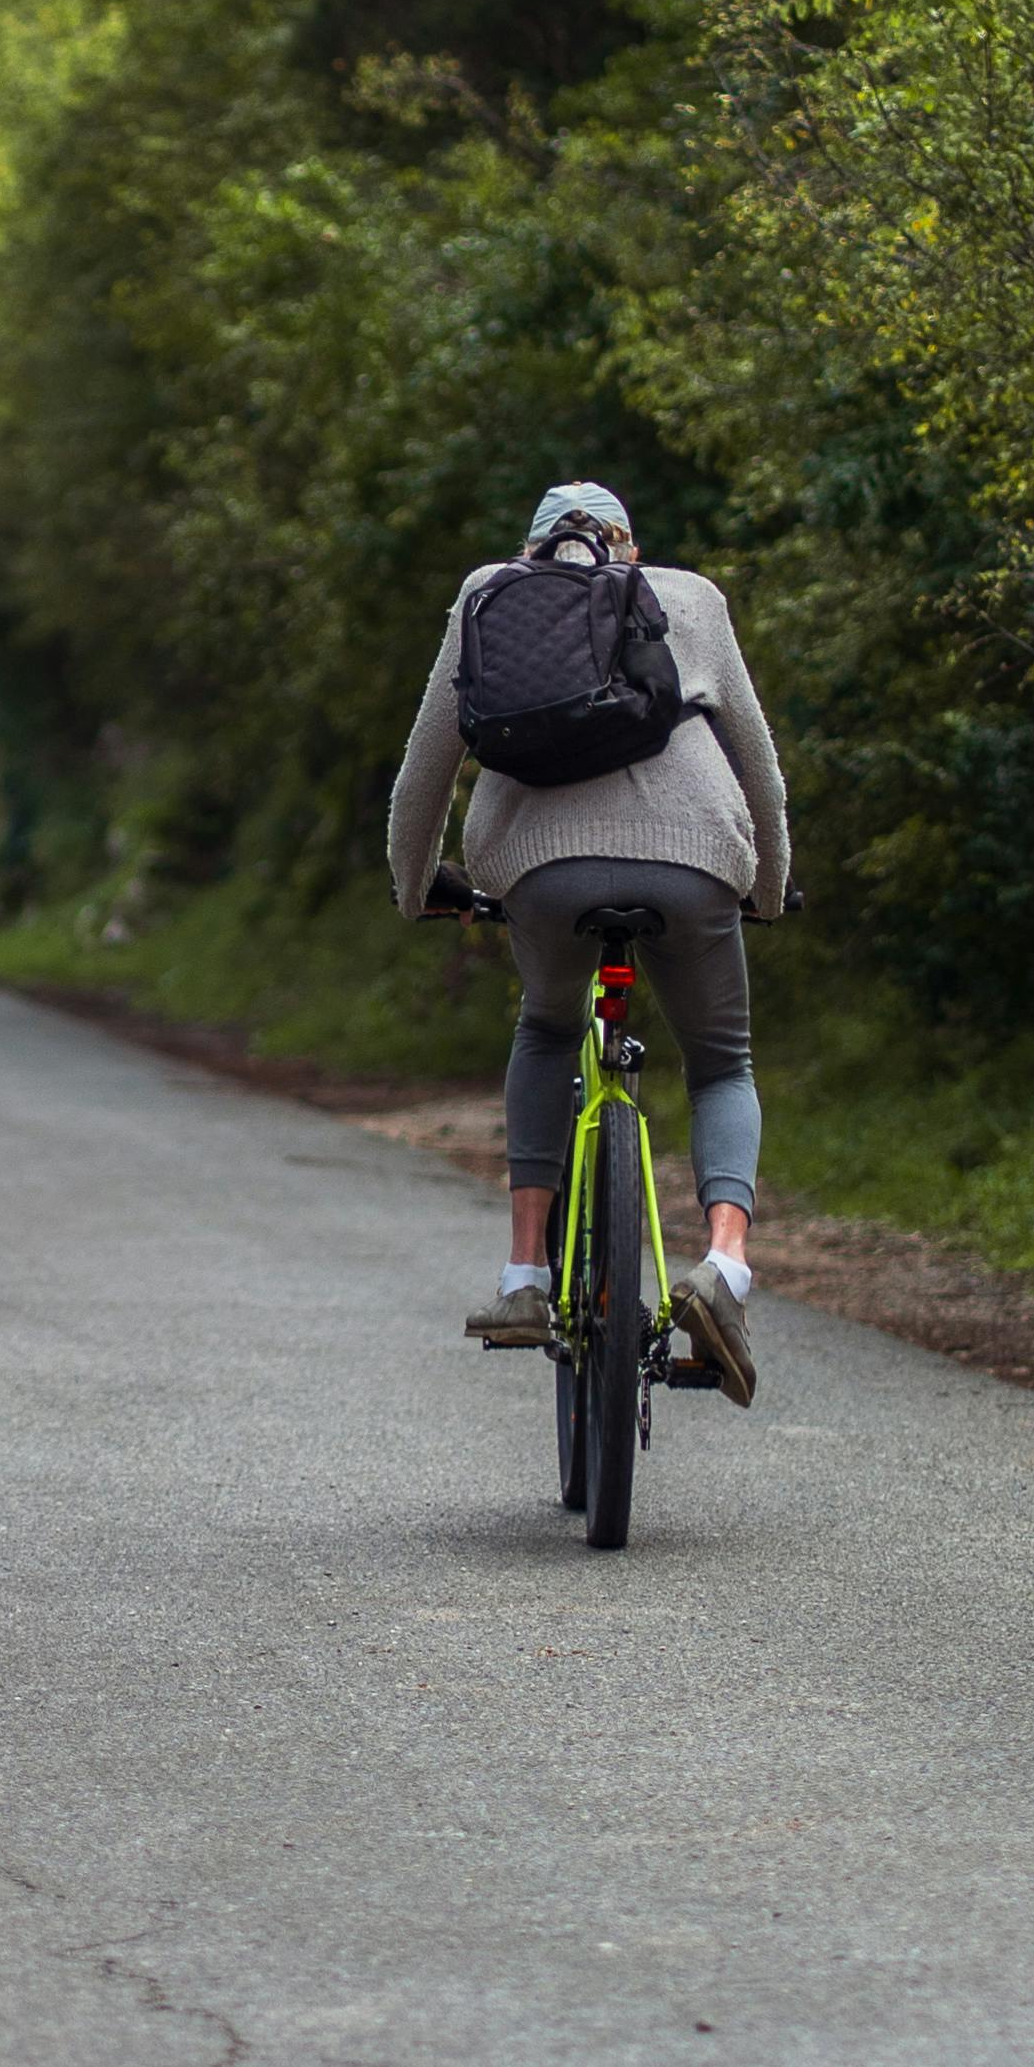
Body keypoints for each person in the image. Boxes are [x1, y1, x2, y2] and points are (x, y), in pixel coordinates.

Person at [384, 479, 787, 1405]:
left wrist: (416, 892)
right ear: (627, 548)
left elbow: (423, 775)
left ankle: (525, 1277)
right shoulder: (689, 597)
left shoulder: (489, 591)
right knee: (722, 1062)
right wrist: (764, 886)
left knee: (547, 1030)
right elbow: (759, 769)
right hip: (692, 863)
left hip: (537, 872)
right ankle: (723, 1266)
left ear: (534, 553)